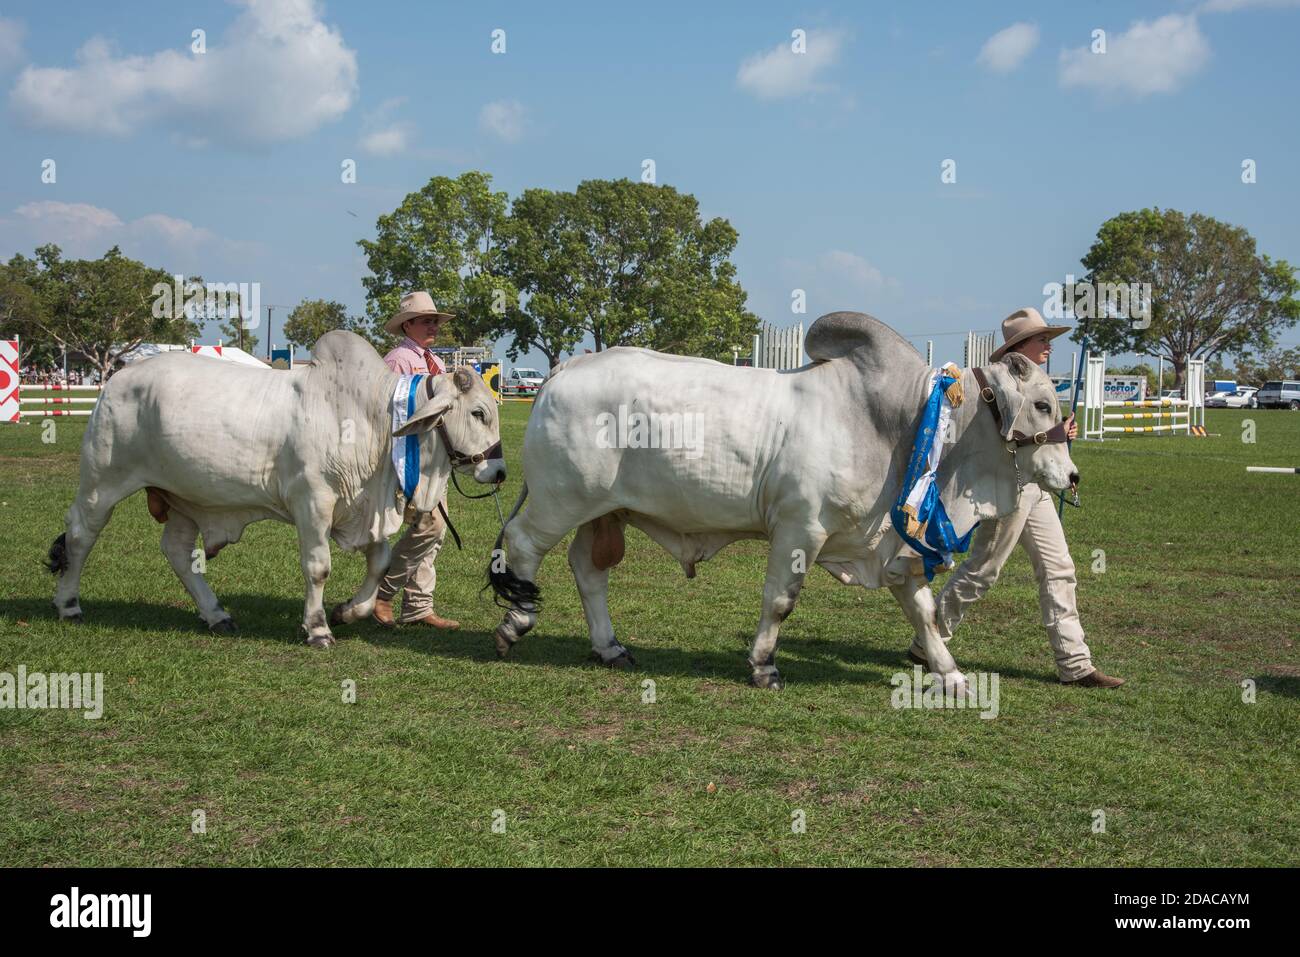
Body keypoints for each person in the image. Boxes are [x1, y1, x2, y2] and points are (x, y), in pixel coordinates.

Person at [922, 307, 1125, 688]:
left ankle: (1075, 664)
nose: (1048, 345)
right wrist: (1050, 434)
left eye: (1049, 339)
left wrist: (1062, 434)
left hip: (1038, 486)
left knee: (1059, 568)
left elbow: (1043, 436)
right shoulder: (1002, 387)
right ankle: (928, 639)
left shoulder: (1042, 382)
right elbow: (1008, 438)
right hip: (1009, 485)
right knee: (983, 571)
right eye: (1041, 339)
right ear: (1019, 346)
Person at [372, 291, 460, 630]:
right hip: (408, 459)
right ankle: (384, 592)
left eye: (435, 321)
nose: (434, 326)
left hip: (432, 459)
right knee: (429, 526)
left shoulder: (430, 360)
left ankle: (419, 606)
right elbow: (386, 412)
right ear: (407, 324)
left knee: (433, 533)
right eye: (427, 320)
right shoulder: (399, 361)